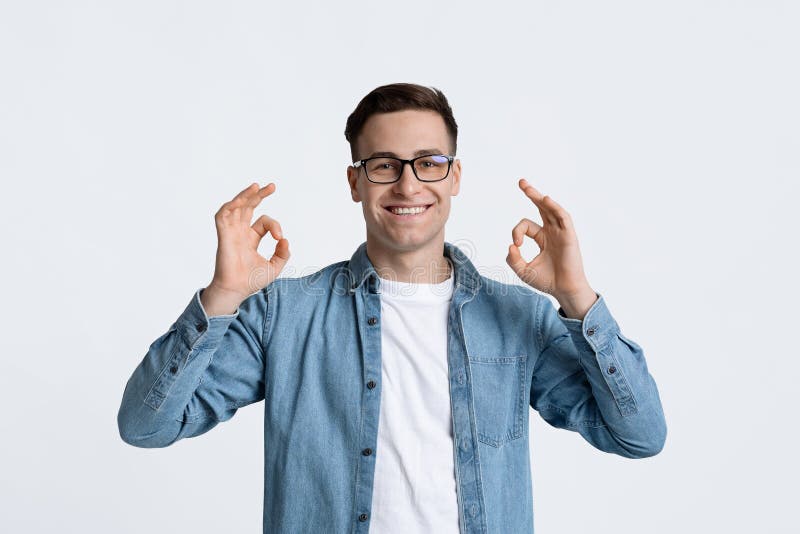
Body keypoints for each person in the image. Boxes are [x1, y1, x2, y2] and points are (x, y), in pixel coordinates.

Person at [117, 82, 667, 533]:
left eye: (428, 162)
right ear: (356, 182)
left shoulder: (519, 318)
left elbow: (638, 435)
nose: (407, 184)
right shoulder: (281, 316)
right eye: (383, 164)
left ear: (454, 177)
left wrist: (576, 298)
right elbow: (146, 426)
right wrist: (223, 297)